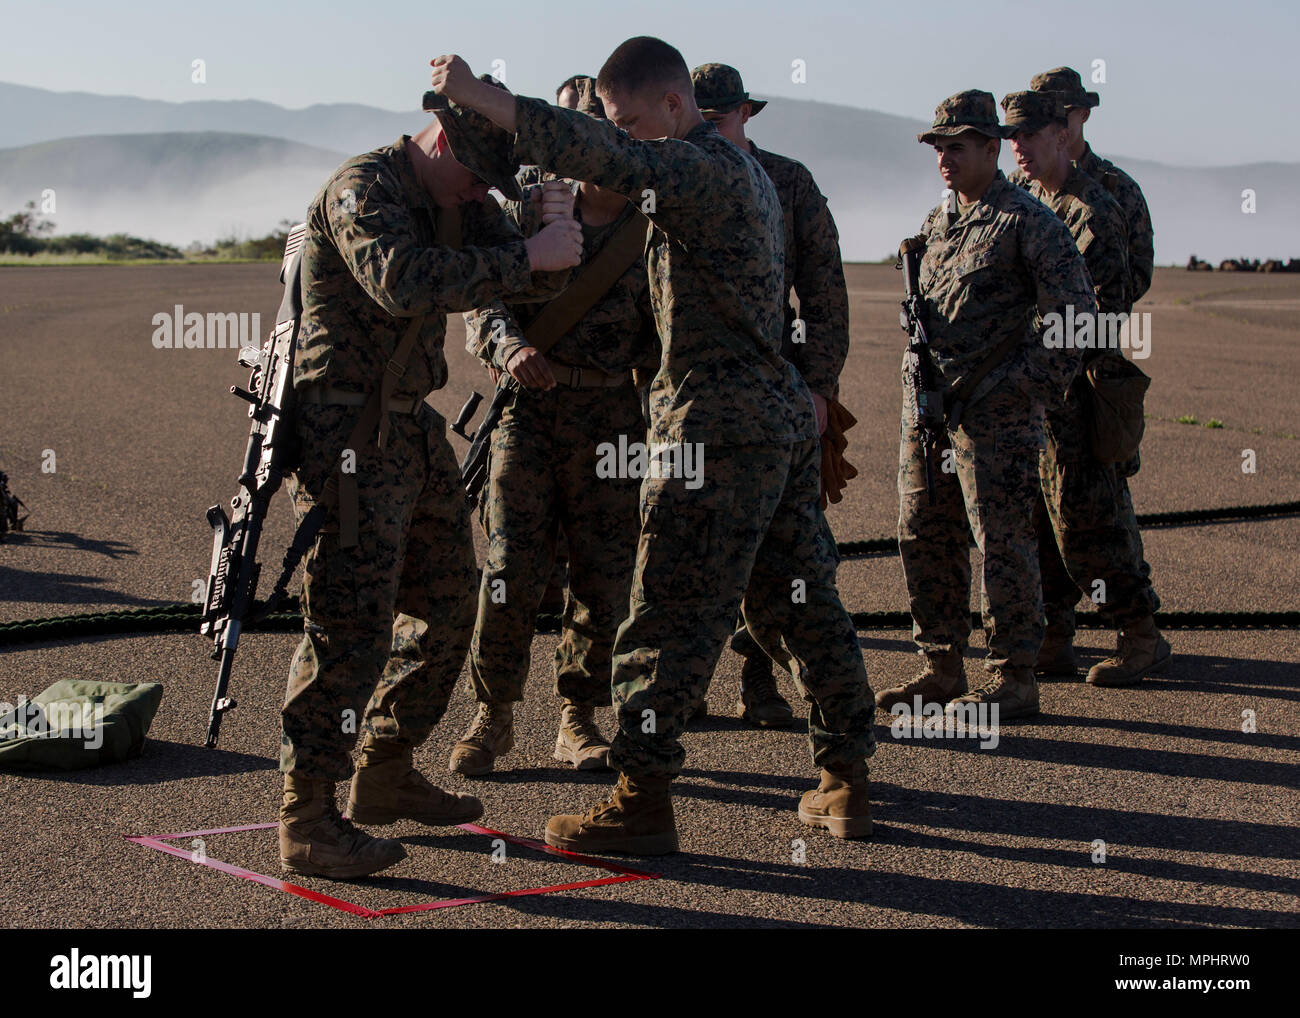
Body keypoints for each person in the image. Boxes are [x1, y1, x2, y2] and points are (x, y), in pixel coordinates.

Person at [430, 36, 876, 854]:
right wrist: (470, 117)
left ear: (676, 107)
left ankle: (640, 799)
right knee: (802, 603)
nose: (626, 137)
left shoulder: (700, 166)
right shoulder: (744, 176)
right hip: (768, 415)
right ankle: (846, 776)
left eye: (634, 120)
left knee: (664, 614)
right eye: (619, 123)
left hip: (714, 424)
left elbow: (599, 153)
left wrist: (490, 97)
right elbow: (572, 171)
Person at [278, 75, 583, 879]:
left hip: (408, 426)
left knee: (449, 601)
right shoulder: (362, 187)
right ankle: (309, 816)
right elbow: (401, 280)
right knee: (349, 622)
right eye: (477, 173)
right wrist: (524, 253)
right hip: (344, 431)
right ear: (443, 139)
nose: (483, 192)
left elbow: (525, 275)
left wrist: (554, 230)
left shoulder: (462, 197)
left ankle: (384, 767)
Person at [449, 79, 659, 777]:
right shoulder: (527, 206)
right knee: (510, 568)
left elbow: (673, 329)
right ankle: (493, 715)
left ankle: (579, 716)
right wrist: (510, 347)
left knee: (603, 576)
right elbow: (484, 295)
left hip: (612, 417)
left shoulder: (650, 221)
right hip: (529, 412)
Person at [874, 90, 1095, 720]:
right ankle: (940, 666)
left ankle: (1013, 673)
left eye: (960, 146)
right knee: (924, 532)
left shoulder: (1027, 220)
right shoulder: (937, 223)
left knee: (1002, 540)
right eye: (940, 147)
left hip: (995, 416)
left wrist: (1026, 385)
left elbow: (1077, 318)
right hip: (932, 411)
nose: (946, 158)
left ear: (992, 148)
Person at [691, 62, 851, 729]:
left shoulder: (788, 182)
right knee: (689, 544)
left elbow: (825, 294)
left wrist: (818, 388)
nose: (710, 134)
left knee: (782, 549)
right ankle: (682, 687)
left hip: (775, 392)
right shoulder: (678, 179)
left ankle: (762, 683)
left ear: (746, 115)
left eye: (719, 121)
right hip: (694, 394)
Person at [1022, 67, 1170, 685]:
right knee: (1038, 511)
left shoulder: (1107, 196)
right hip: (1039, 380)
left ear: (1075, 120)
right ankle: (1055, 633)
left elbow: (1122, 288)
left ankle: (1138, 632)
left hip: (1085, 379)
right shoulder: (1027, 191)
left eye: (1050, 120)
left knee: (1092, 510)